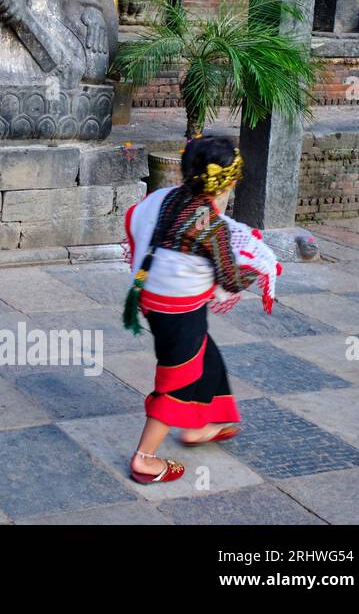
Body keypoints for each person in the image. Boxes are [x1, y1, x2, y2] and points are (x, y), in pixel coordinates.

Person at [122, 135, 281, 485]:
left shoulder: (169, 197)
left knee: (204, 355)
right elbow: (231, 277)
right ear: (229, 179)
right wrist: (263, 265)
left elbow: (136, 217)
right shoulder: (209, 223)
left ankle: (204, 423)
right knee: (177, 380)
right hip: (177, 310)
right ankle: (144, 459)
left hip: (153, 298)